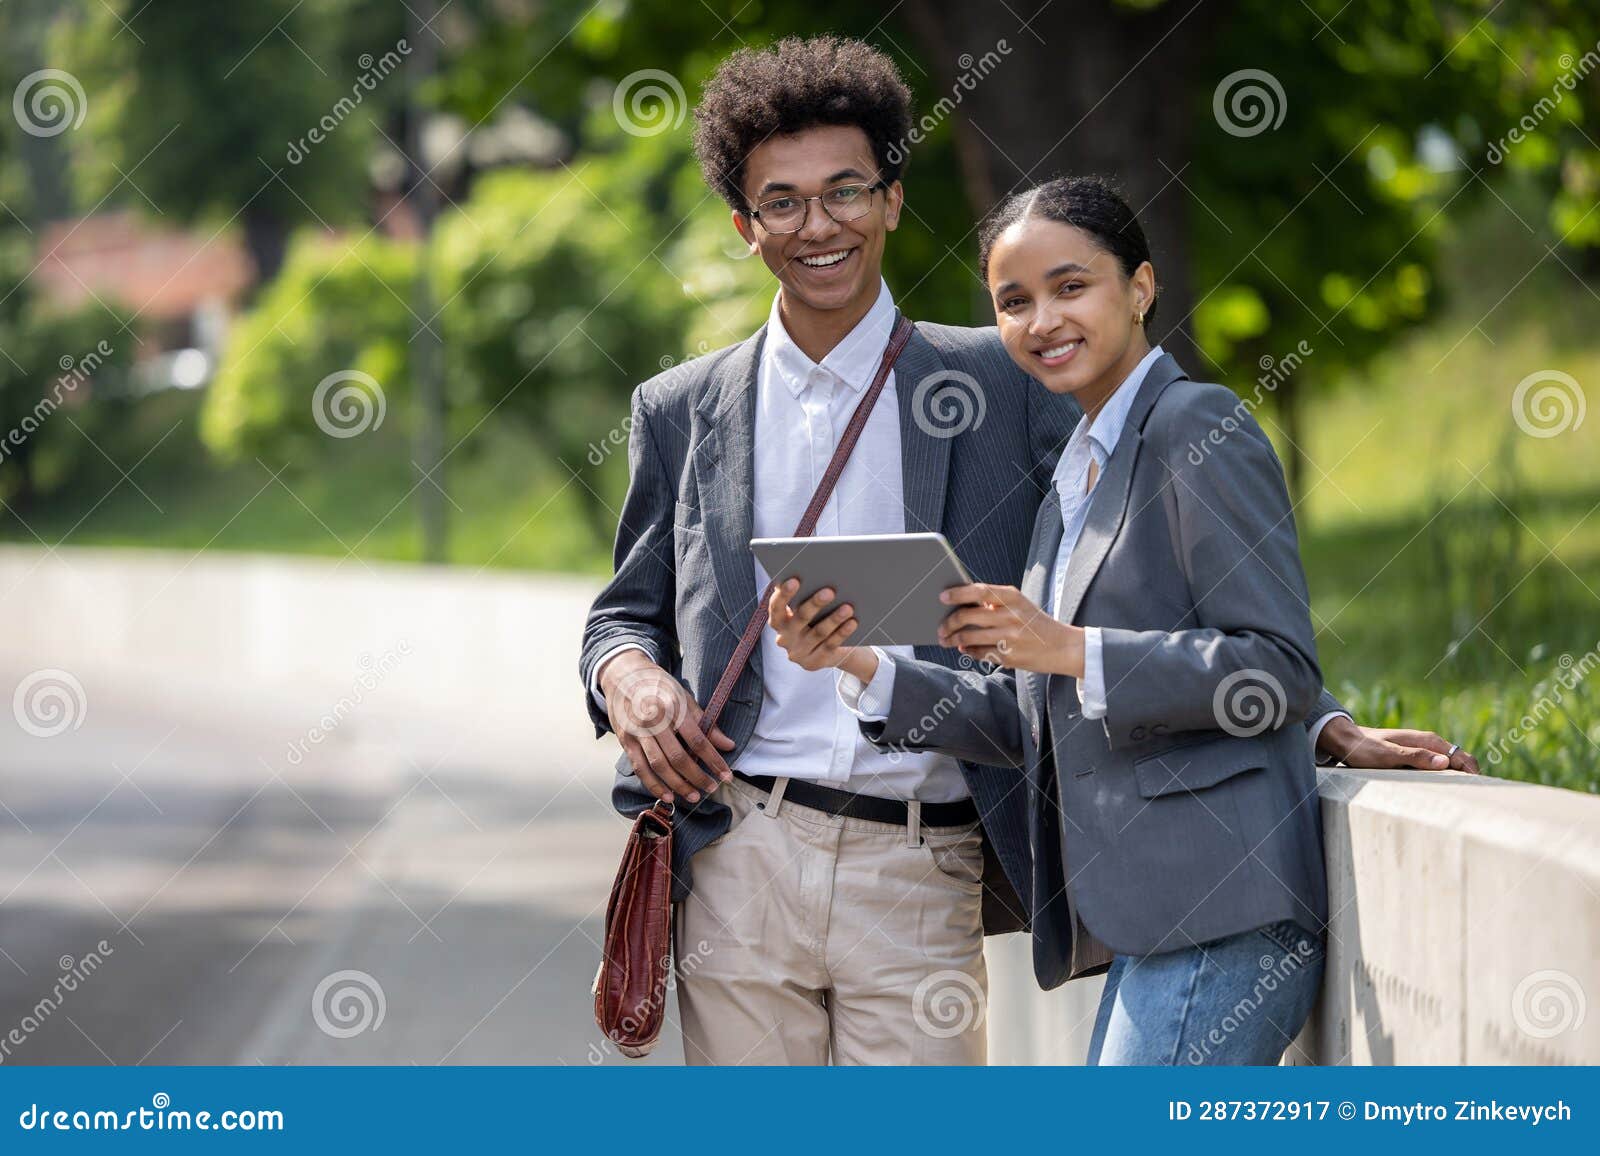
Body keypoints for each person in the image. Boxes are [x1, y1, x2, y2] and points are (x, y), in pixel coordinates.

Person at [581, 36, 1475, 1067]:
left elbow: (1153, 555)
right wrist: (627, 676)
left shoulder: (1005, 379)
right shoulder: (681, 408)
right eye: (781, 202)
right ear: (745, 227)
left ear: (891, 201)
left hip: (920, 859)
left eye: (845, 191)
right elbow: (625, 610)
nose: (817, 224)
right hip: (736, 854)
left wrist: (1316, 720)